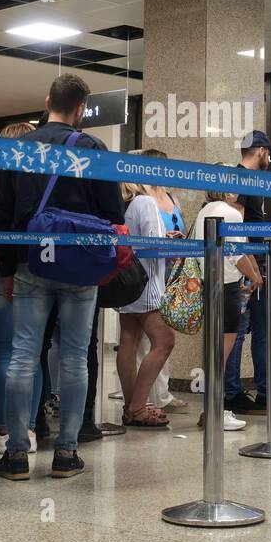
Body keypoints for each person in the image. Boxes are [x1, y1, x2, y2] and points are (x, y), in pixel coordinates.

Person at [0, 74, 125, 481]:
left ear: (47, 99)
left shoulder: (19, 148)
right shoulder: (94, 149)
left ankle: (16, 453)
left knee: (24, 353)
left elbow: (3, 216)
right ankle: (66, 452)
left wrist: (8, 270)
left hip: (34, 261)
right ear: (82, 109)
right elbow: (114, 215)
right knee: (73, 356)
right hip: (81, 266)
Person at [0, 122, 43, 455]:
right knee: (33, 351)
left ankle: (4, 426)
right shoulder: (43, 178)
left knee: (2, 349)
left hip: (1, 267)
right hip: (42, 267)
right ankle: (29, 425)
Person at [115, 155, 180, 428]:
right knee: (164, 341)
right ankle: (139, 405)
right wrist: (171, 242)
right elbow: (154, 245)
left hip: (126, 282)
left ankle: (131, 407)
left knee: (129, 340)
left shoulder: (124, 204)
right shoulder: (145, 202)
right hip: (148, 283)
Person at [191, 177, 259, 431]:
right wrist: (254, 276)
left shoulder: (204, 211)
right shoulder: (230, 213)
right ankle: (215, 411)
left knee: (214, 351)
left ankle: (210, 408)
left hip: (208, 283)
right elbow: (236, 252)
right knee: (222, 353)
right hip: (227, 285)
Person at [224, 129, 271, 415]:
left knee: (262, 329)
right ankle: (232, 393)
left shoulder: (252, 181)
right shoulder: (239, 179)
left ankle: (265, 391)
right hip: (249, 265)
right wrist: (249, 267)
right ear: (260, 151)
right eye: (269, 154)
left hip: (259, 261)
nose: (270, 159)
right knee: (238, 331)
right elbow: (236, 228)